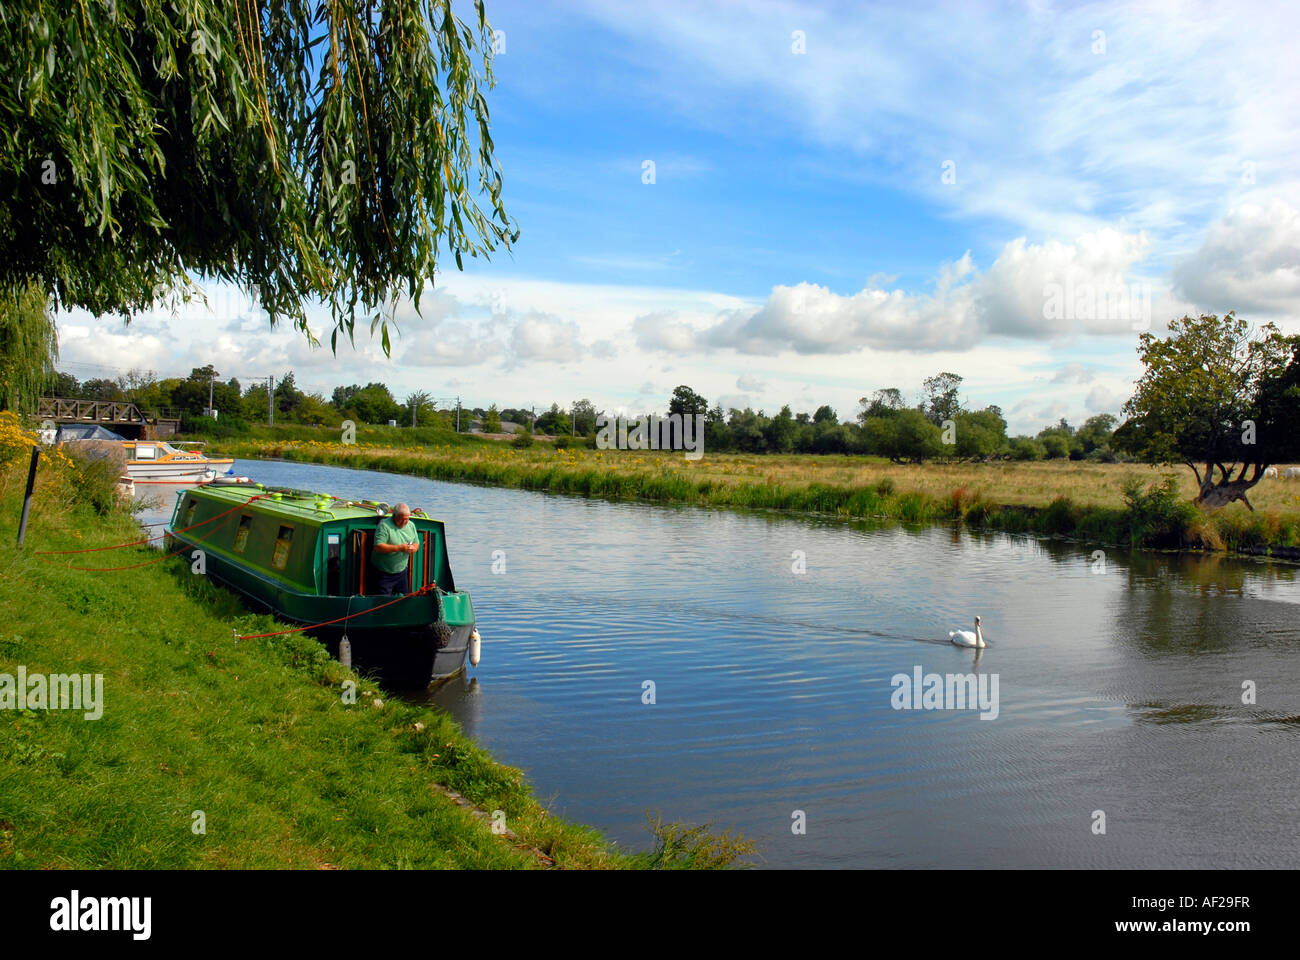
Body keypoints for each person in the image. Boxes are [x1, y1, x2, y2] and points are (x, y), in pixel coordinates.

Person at [371, 502, 419, 595]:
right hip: (383, 573)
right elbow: (378, 547)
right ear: (394, 516)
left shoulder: (411, 525)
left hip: (402, 572)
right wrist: (399, 548)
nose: (404, 522)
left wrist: (413, 548)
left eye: (407, 519)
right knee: (383, 602)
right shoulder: (384, 525)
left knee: (403, 600)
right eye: (402, 519)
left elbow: (416, 543)